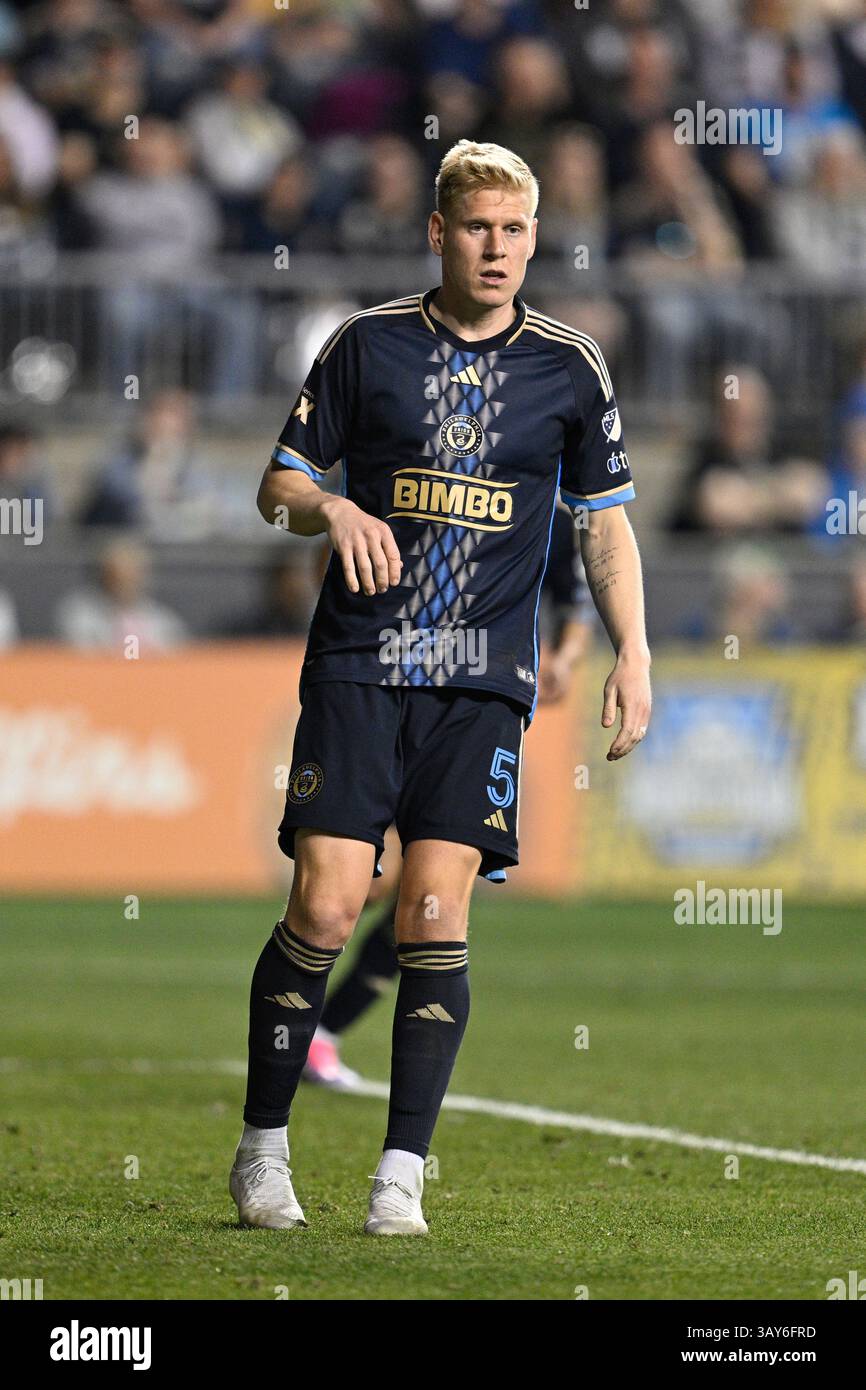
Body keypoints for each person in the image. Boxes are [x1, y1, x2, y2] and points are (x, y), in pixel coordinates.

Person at [230, 139, 652, 1237]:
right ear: (438, 232)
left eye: (515, 229)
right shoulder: (365, 347)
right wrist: (330, 509)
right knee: (325, 902)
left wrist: (633, 653)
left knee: (430, 910)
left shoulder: (570, 365)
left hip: (481, 684)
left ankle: (398, 1174)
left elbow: (603, 527)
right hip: (362, 662)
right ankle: (262, 1149)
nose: (498, 247)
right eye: (477, 227)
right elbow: (276, 484)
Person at [303, 504, 595, 1090]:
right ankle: (302, 1020)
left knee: (430, 896)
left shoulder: (553, 516)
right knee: (362, 885)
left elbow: (577, 599)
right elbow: (327, 556)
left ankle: (321, 1033)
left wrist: (562, 658)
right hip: (386, 691)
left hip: (473, 706)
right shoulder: (426, 478)